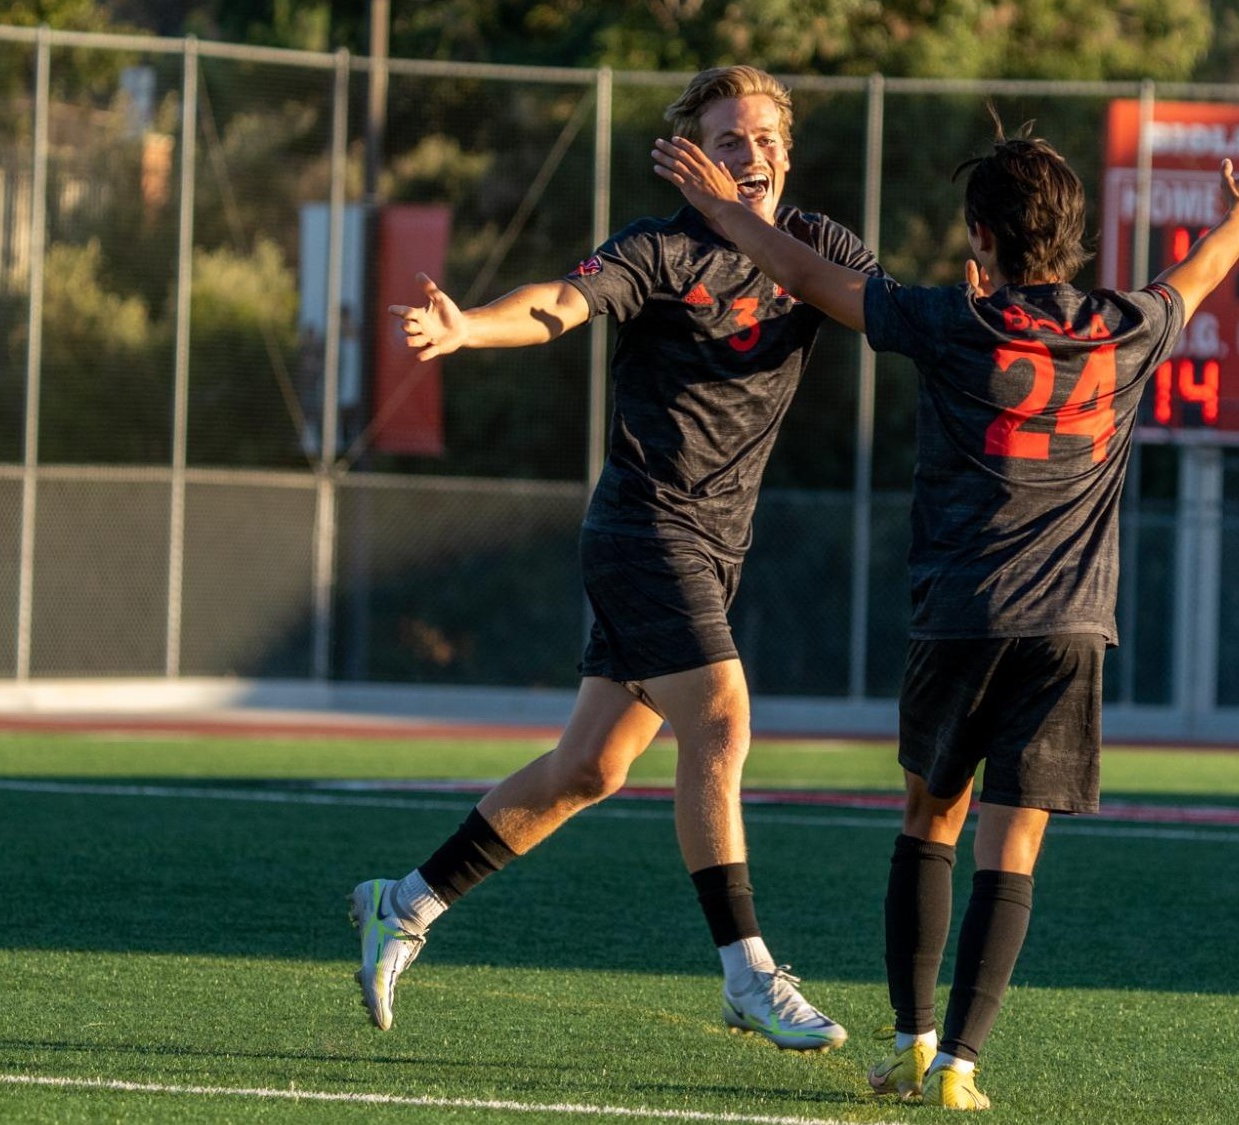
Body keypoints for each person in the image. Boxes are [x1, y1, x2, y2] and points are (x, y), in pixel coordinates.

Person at [655, 124, 1239, 1109]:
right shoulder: (1125, 324)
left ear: (980, 236)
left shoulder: (953, 319)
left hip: (960, 618)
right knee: (1015, 846)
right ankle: (959, 1066)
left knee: (926, 821)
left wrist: (719, 206)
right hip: (1071, 630)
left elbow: (803, 272)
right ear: (1071, 237)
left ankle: (910, 1044)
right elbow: (1196, 278)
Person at [351, 65, 880, 1051]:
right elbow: (561, 300)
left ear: (788, 153)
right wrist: (468, 327)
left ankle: (406, 901)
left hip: (718, 546)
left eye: (764, 137)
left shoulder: (814, 247)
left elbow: (865, 306)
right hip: (644, 530)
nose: (750, 154)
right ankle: (744, 973)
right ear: (691, 160)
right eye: (727, 140)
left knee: (587, 768)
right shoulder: (659, 249)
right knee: (719, 720)